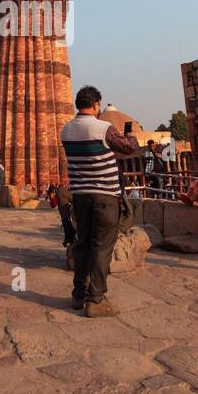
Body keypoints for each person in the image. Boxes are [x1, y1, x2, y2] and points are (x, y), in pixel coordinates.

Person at [59, 85, 139, 318]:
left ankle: (78, 295)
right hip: (104, 196)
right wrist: (131, 134)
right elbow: (129, 148)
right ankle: (95, 299)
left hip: (80, 197)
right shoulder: (103, 128)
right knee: (102, 247)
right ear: (95, 105)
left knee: (83, 244)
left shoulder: (66, 131)